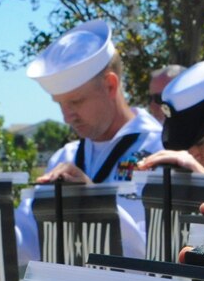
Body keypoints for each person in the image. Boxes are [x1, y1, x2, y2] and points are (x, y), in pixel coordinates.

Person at [14, 19, 161, 263]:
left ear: (110, 85)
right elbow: (28, 244)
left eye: (76, 102)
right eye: (59, 103)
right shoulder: (64, 158)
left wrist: (94, 203)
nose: (66, 116)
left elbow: (160, 255)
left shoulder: (162, 151)